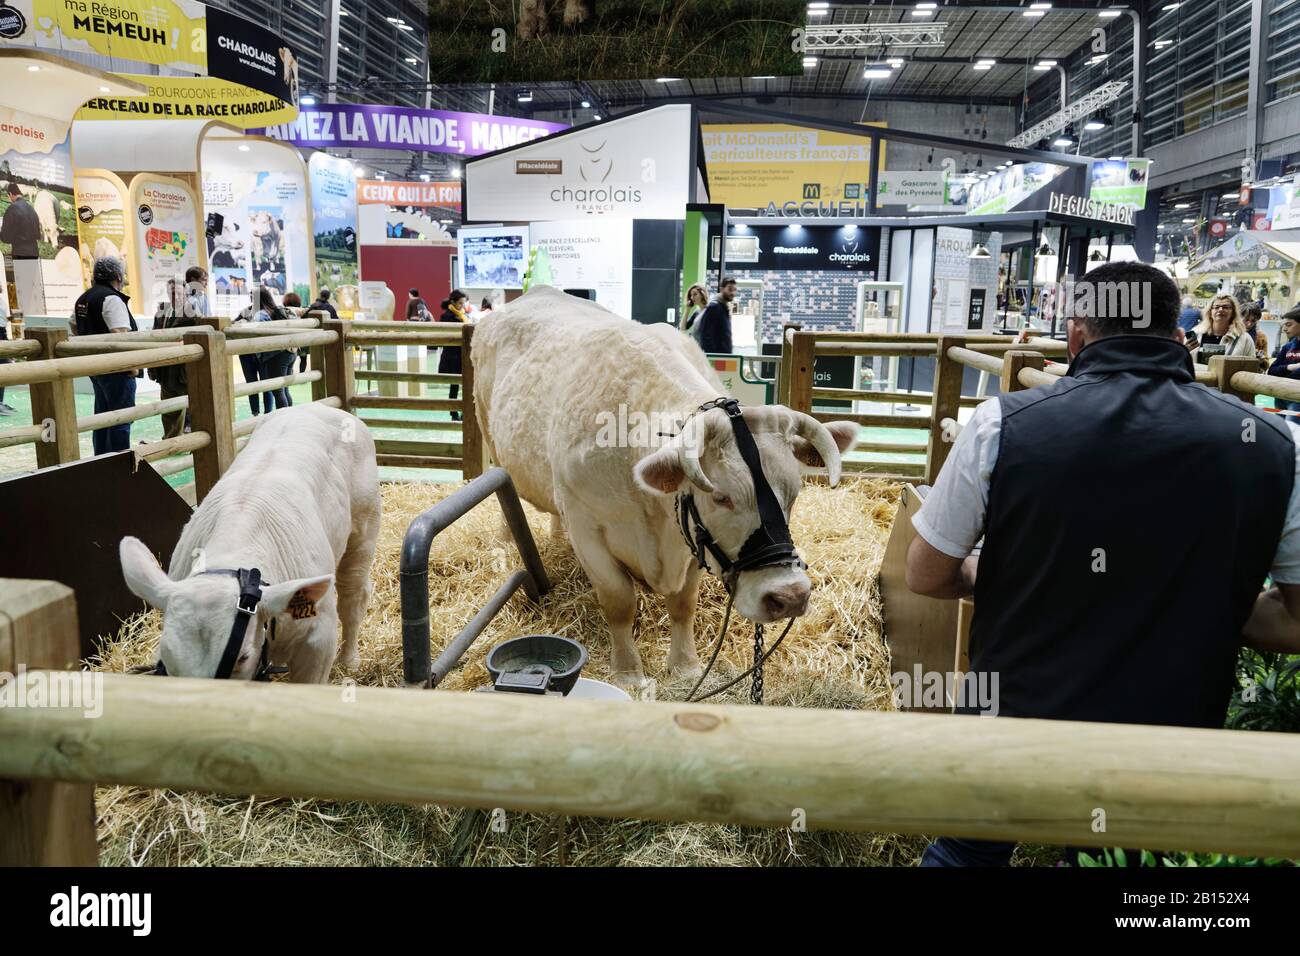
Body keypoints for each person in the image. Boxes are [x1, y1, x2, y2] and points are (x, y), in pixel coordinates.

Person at [905, 261, 1300, 867]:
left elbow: (926, 575)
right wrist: (1192, 597)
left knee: (967, 848)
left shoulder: (1000, 424)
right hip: (1172, 726)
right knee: (1122, 861)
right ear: (1178, 339)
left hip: (1014, 705)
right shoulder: (1275, 446)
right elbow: (1295, 621)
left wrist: (1014, 578)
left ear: (1076, 336)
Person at [73, 256, 138, 453]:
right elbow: (121, 335)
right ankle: (118, 461)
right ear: (118, 275)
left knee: (102, 415)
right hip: (117, 369)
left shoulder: (84, 298)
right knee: (121, 417)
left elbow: (73, 324)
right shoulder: (111, 298)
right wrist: (132, 365)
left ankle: (100, 458)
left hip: (96, 366)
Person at [252, 285, 296, 410]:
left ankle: (283, 420)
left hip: (276, 354)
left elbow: (254, 331)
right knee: (285, 389)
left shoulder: (260, 314)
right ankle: (290, 417)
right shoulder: (280, 309)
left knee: (278, 391)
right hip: (291, 351)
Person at [1, 182, 42, 314]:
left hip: (20, 252)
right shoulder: (31, 208)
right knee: (30, 289)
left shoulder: (12, 208)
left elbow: (6, 237)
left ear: (11, 194)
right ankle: (31, 316)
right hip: (34, 251)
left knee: (20, 290)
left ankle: (21, 319)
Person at [1190, 294, 1255, 358]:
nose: (1220, 309)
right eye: (1216, 307)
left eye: (1225, 307)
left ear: (1233, 312)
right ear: (1210, 311)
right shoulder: (1196, 334)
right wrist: (1185, 350)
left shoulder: (1244, 339)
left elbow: (1251, 365)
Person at [438, 290, 468, 421]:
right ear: (453, 302)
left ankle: (464, 412)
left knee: (466, 384)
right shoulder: (447, 316)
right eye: (460, 303)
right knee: (454, 385)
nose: (462, 306)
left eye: (463, 303)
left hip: (462, 354)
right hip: (452, 356)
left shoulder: (462, 315)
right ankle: (454, 412)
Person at [1267, 308, 1300, 415]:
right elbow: (1272, 370)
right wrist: (1290, 367)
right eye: (1284, 325)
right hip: (1280, 397)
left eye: (1289, 324)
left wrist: (1283, 371)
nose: (1284, 329)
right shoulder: (1287, 347)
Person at [696, 278, 737, 354]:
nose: (733, 293)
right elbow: (705, 336)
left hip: (723, 358)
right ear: (721, 289)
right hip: (717, 359)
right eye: (730, 289)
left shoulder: (723, 308)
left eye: (735, 290)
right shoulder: (715, 307)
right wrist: (713, 357)